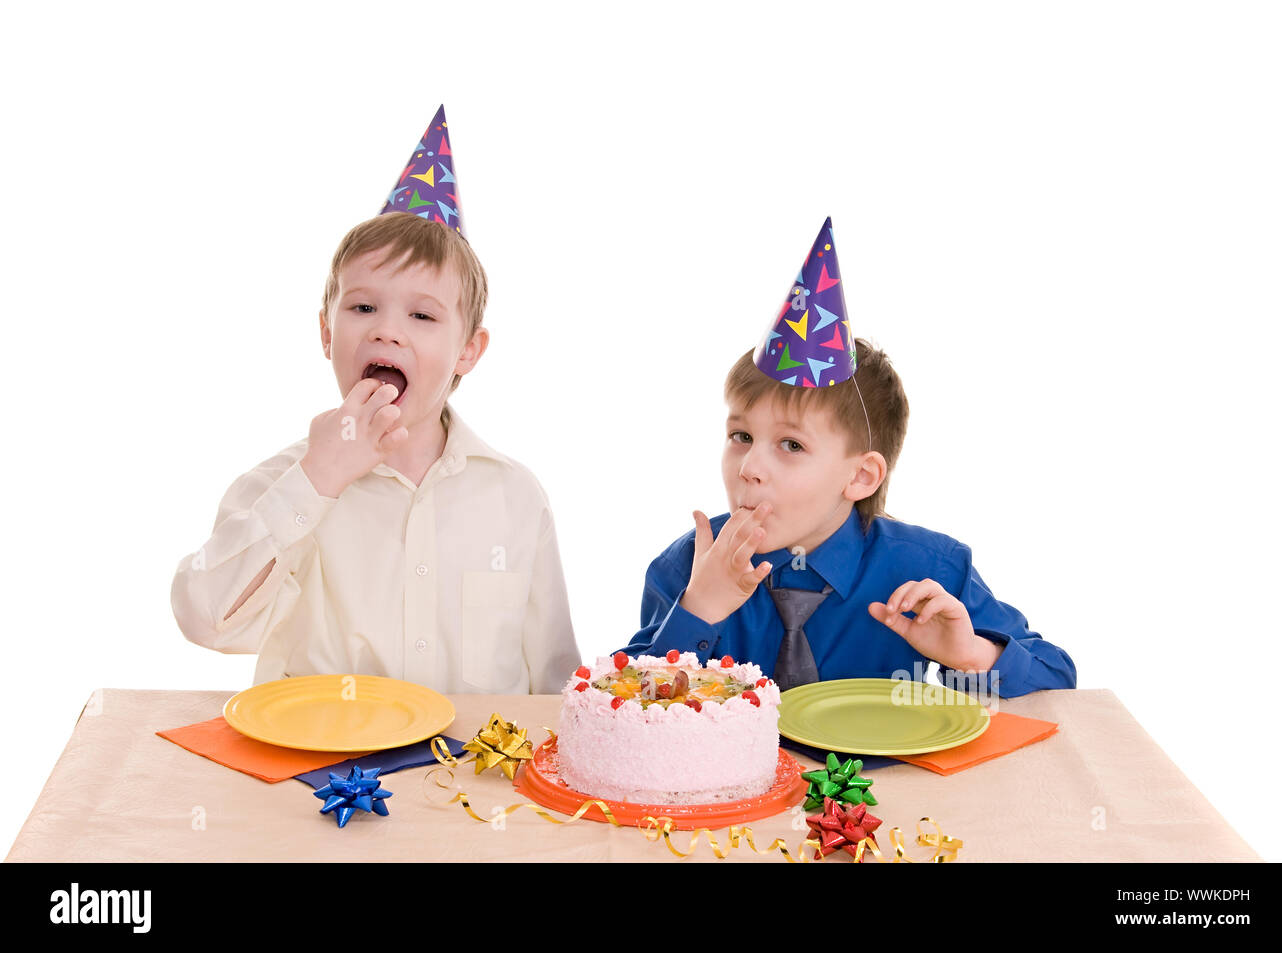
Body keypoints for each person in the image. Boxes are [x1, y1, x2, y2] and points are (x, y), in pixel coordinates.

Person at [171, 108, 580, 692]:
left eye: (421, 314)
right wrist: (316, 481)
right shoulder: (281, 484)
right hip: (322, 779)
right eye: (363, 308)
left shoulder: (515, 497)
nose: (388, 331)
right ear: (326, 333)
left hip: (471, 778)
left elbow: (555, 681)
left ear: (468, 350)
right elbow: (205, 620)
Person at [615, 219, 1075, 698]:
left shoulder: (931, 568)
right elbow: (624, 712)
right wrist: (699, 609)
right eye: (740, 435)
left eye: (791, 445)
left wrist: (971, 656)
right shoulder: (689, 566)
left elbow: (1057, 680)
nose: (749, 467)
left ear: (860, 475)